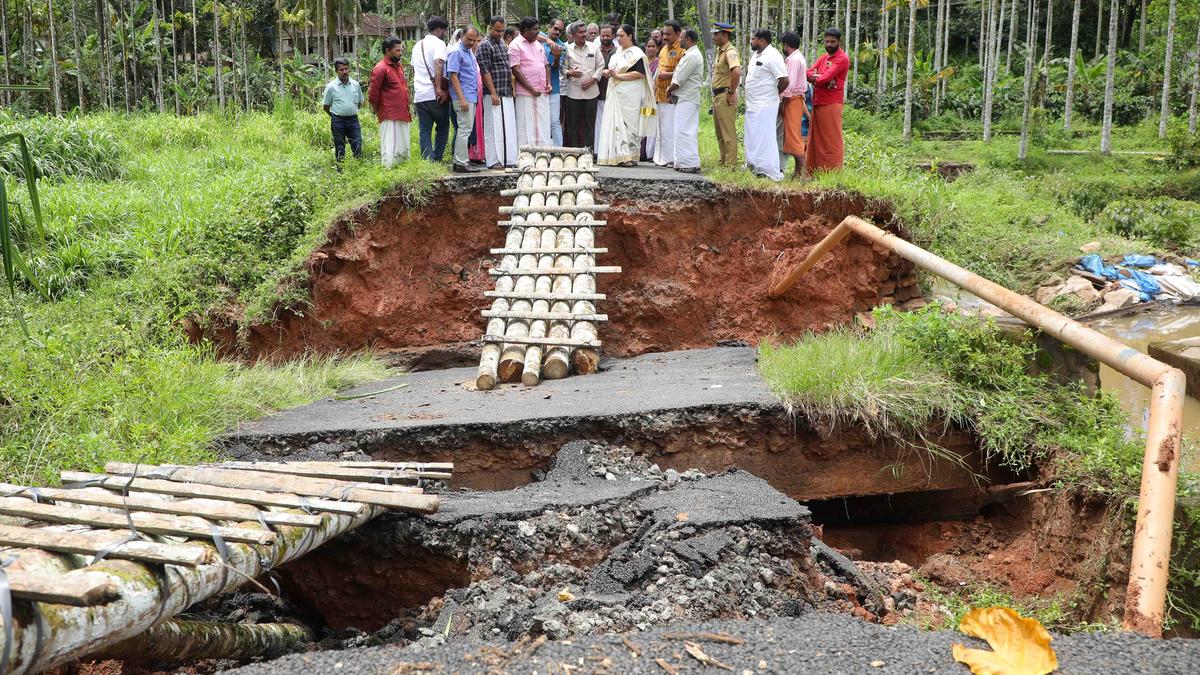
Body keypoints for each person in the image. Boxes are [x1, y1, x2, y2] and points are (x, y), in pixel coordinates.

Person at [597, 25, 654, 166]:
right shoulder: (615, 53)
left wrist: (618, 76)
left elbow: (639, 74)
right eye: (617, 36)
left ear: (630, 36)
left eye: (622, 35)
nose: (619, 38)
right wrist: (606, 73)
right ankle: (615, 156)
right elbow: (608, 70)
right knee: (614, 123)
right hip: (615, 92)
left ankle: (629, 157)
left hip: (630, 95)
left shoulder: (637, 53)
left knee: (629, 125)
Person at [743, 29, 788, 181]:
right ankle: (754, 165)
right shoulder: (756, 55)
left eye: (753, 39)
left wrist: (774, 93)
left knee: (765, 137)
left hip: (766, 104)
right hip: (753, 104)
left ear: (762, 41)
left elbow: (784, 80)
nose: (751, 41)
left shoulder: (773, 55)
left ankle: (770, 170)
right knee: (753, 135)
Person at [806, 27, 850, 175]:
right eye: (827, 41)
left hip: (831, 103)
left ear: (839, 42)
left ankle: (832, 172)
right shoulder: (823, 57)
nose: (829, 44)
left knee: (831, 139)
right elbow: (808, 73)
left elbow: (824, 78)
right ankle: (814, 171)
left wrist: (820, 77)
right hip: (818, 102)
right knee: (815, 139)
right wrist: (820, 77)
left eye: (833, 42)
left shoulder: (842, 58)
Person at [479, 16, 518, 168]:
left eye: (502, 30)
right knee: (493, 127)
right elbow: (485, 70)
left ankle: (508, 159)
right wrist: (493, 92)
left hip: (506, 92)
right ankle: (495, 160)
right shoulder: (485, 45)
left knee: (507, 127)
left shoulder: (502, 43)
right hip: (493, 94)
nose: (500, 33)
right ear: (490, 28)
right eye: (497, 30)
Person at [369, 37, 413, 167]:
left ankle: (403, 170)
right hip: (389, 113)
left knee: (403, 144)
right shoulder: (380, 68)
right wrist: (380, 111)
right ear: (388, 51)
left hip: (403, 112)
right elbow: (372, 95)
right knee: (391, 146)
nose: (400, 53)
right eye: (397, 50)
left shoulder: (398, 66)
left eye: (401, 50)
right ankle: (389, 172)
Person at [412, 16, 450, 161]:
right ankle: (438, 157)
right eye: (444, 30)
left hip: (420, 95)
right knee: (443, 127)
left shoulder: (417, 45)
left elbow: (415, 68)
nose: (444, 33)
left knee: (425, 130)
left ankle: (428, 160)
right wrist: (439, 88)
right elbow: (439, 63)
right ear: (439, 29)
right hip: (435, 94)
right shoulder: (439, 43)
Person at [509, 17, 551, 147]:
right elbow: (515, 70)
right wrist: (531, 89)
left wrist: (548, 83)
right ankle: (526, 157)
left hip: (542, 91)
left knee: (542, 124)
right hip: (526, 93)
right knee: (526, 125)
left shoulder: (538, 44)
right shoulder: (515, 45)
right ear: (526, 30)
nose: (538, 32)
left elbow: (546, 65)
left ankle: (543, 154)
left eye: (538, 29)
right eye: (535, 29)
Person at [667, 29, 704, 173]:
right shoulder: (689, 54)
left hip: (688, 97)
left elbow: (680, 78)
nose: (679, 40)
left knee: (686, 130)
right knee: (681, 129)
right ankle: (682, 161)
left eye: (681, 37)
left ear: (688, 39)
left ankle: (689, 162)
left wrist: (669, 89)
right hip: (684, 98)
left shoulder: (693, 56)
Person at [562, 21, 602, 149]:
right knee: (572, 124)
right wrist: (570, 72)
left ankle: (588, 152)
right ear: (573, 35)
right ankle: (573, 153)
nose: (584, 34)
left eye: (585, 31)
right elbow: (562, 69)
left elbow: (601, 66)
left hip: (591, 92)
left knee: (589, 124)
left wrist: (592, 80)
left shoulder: (594, 47)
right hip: (573, 92)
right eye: (580, 32)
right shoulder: (566, 48)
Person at [448, 26, 482, 172]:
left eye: (474, 40)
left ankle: (461, 160)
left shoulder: (468, 51)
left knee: (466, 129)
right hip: (463, 96)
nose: (472, 43)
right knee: (464, 129)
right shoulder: (456, 51)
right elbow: (453, 75)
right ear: (461, 35)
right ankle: (460, 162)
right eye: (469, 39)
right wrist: (461, 98)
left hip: (470, 95)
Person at [652, 20, 684, 168]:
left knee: (671, 129)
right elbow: (658, 71)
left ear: (677, 34)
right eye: (664, 34)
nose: (665, 37)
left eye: (668, 34)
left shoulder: (682, 50)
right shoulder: (663, 49)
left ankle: (671, 158)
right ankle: (661, 158)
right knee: (661, 130)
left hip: (672, 97)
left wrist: (668, 75)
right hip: (660, 95)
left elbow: (682, 72)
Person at [779, 31, 811, 179]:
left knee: (793, 136)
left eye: (783, 45)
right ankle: (797, 173)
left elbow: (789, 85)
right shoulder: (797, 58)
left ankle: (801, 173)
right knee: (793, 135)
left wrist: (783, 103)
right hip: (795, 99)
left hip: (792, 100)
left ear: (787, 45)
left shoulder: (793, 60)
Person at [710, 22, 741, 167]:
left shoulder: (730, 52)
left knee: (728, 133)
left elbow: (736, 71)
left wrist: (732, 92)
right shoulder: (720, 51)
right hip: (718, 96)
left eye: (716, 34)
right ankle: (723, 161)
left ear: (725, 35)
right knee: (720, 133)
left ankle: (730, 165)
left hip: (724, 95)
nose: (714, 36)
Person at [323, 57, 364, 165]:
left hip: (353, 120)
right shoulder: (331, 87)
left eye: (346, 69)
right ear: (336, 71)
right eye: (341, 70)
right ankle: (340, 169)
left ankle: (358, 168)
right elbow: (326, 106)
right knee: (340, 146)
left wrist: (351, 110)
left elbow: (360, 102)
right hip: (338, 120)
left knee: (357, 145)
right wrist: (334, 116)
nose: (344, 72)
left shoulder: (355, 85)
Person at [543, 19, 566, 146]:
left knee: (554, 121)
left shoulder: (562, 46)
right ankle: (543, 149)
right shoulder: (539, 37)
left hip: (554, 88)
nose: (557, 32)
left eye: (560, 31)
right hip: (538, 87)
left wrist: (556, 57)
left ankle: (559, 150)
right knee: (541, 121)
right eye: (555, 28)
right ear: (549, 27)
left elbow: (556, 67)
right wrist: (547, 40)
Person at [593, 25, 616, 147]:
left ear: (613, 36)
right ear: (599, 36)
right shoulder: (594, 50)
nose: (605, 38)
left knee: (612, 123)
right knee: (599, 123)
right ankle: (598, 150)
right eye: (603, 35)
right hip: (598, 92)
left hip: (614, 93)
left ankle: (611, 150)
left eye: (608, 35)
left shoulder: (618, 51)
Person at [642, 39, 660, 160]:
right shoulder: (641, 61)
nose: (651, 48)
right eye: (648, 46)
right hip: (641, 96)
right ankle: (640, 152)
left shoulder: (659, 62)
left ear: (657, 48)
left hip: (653, 97)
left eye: (653, 46)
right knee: (641, 123)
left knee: (651, 124)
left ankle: (650, 153)